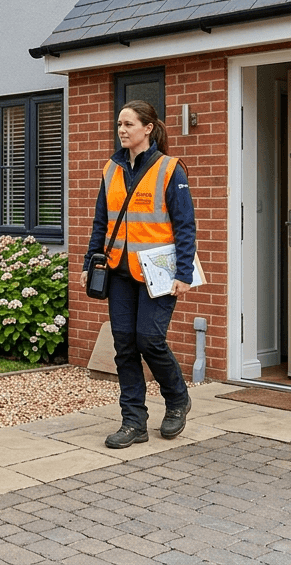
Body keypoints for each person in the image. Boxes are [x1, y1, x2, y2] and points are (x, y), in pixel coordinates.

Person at [81, 99, 196, 448]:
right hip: (118, 270)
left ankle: (177, 398)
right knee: (125, 345)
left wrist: (184, 273)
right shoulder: (110, 169)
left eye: (128, 124)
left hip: (159, 272)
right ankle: (133, 422)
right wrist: (91, 263)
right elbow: (101, 222)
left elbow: (185, 225)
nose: (122, 130)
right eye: (119, 124)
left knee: (149, 339)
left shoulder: (170, 169)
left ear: (148, 128)